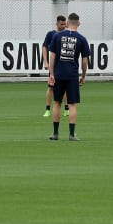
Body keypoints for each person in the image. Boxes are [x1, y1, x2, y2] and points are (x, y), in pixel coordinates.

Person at [47, 13, 93, 141]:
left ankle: (55, 133)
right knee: (72, 104)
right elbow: (85, 61)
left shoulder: (57, 36)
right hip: (72, 75)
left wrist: (51, 74)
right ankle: (72, 135)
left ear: (67, 23)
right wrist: (83, 76)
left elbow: (52, 56)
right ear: (79, 23)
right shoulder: (82, 39)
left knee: (57, 102)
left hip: (58, 74)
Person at [42, 15, 67, 117]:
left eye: (64, 24)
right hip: (54, 66)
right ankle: (47, 109)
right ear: (57, 23)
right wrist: (46, 62)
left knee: (65, 87)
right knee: (51, 87)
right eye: (61, 24)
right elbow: (44, 47)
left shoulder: (67, 34)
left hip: (65, 65)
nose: (63, 26)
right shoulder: (51, 34)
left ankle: (67, 109)